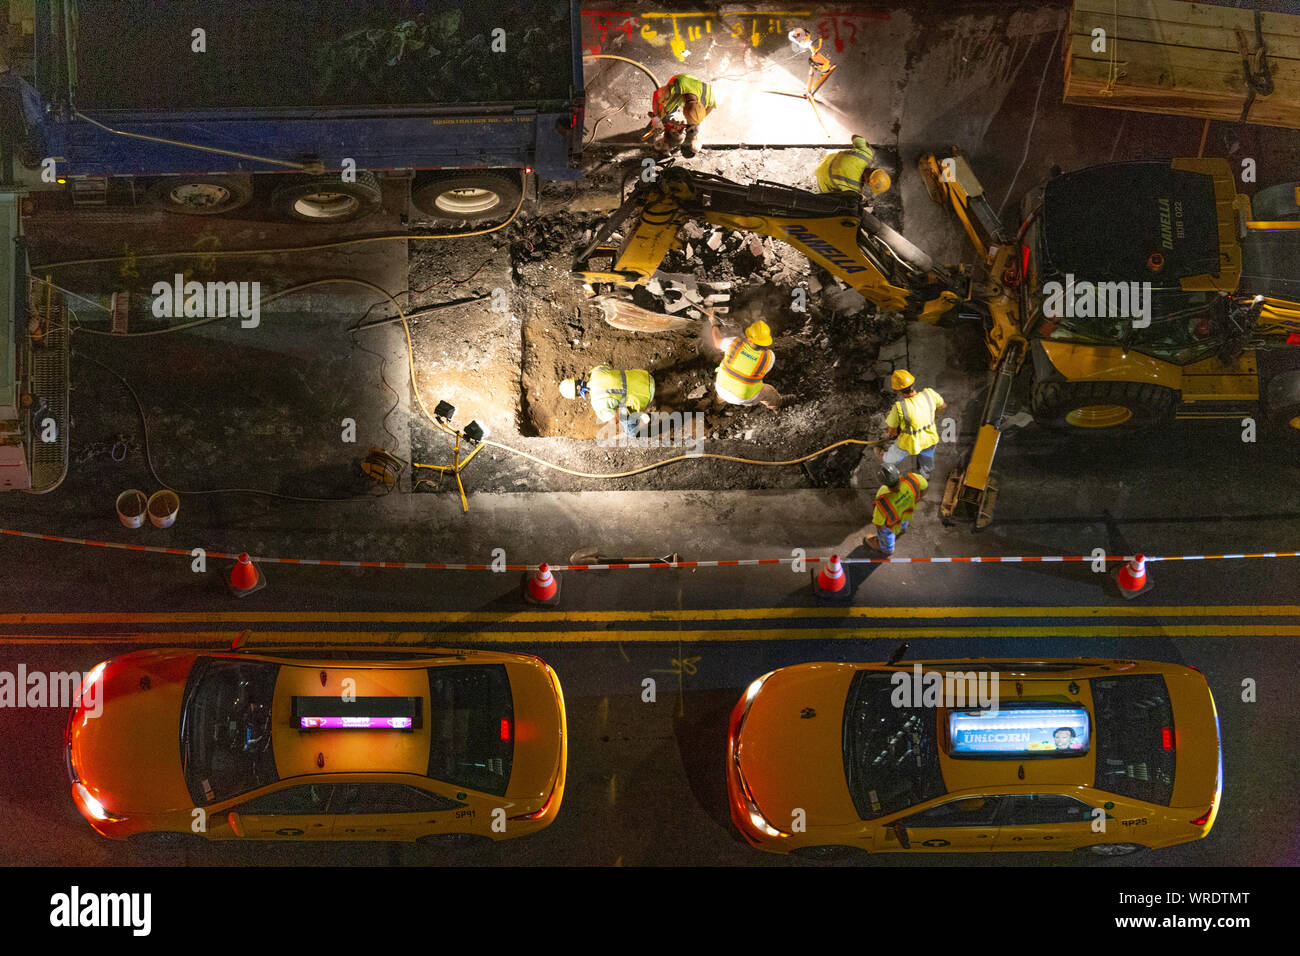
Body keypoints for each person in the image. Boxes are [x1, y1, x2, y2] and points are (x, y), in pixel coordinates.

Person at [881, 368, 946, 477]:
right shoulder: (929, 394)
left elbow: (892, 432)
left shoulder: (899, 408)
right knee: (926, 462)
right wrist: (931, 417)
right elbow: (942, 406)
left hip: (909, 444)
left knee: (889, 461)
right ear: (913, 383)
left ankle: (892, 480)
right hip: (929, 439)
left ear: (898, 390)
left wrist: (895, 433)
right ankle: (924, 477)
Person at [560, 366, 655, 438]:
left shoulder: (597, 403)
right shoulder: (595, 371)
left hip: (646, 394)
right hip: (644, 376)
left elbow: (614, 421)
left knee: (629, 430)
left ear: (578, 396)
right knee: (620, 391)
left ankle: (644, 421)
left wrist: (609, 412)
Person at [711, 319, 783, 411]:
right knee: (770, 392)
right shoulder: (770, 356)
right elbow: (761, 373)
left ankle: (717, 406)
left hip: (721, 389)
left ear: (749, 339)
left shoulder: (733, 343)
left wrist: (714, 324)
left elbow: (717, 342)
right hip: (744, 397)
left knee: (722, 394)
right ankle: (777, 405)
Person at [863, 464, 928, 555]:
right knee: (903, 521)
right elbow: (924, 487)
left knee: (886, 532)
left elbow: (879, 524)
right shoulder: (912, 478)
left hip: (892, 523)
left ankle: (886, 548)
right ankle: (902, 529)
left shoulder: (883, 497)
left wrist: (882, 533)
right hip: (906, 513)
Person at [649, 74, 716, 157]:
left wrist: (696, 123)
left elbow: (710, 107)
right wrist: (656, 117)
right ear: (684, 108)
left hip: (695, 86)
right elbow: (656, 95)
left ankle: (692, 133)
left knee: (693, 124)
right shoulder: (675, 89)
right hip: (680, 80)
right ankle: (663, 135)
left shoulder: (708, 97)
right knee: (665, 112)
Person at [815, 135, 891, 200]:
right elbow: (848, 199)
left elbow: (854, 137)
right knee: (835, 200)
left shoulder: (867, 154)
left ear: (876, 169)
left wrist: (866, 146)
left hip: (827, 159)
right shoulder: (855, 188)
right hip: (821, 176)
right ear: (868, 183)